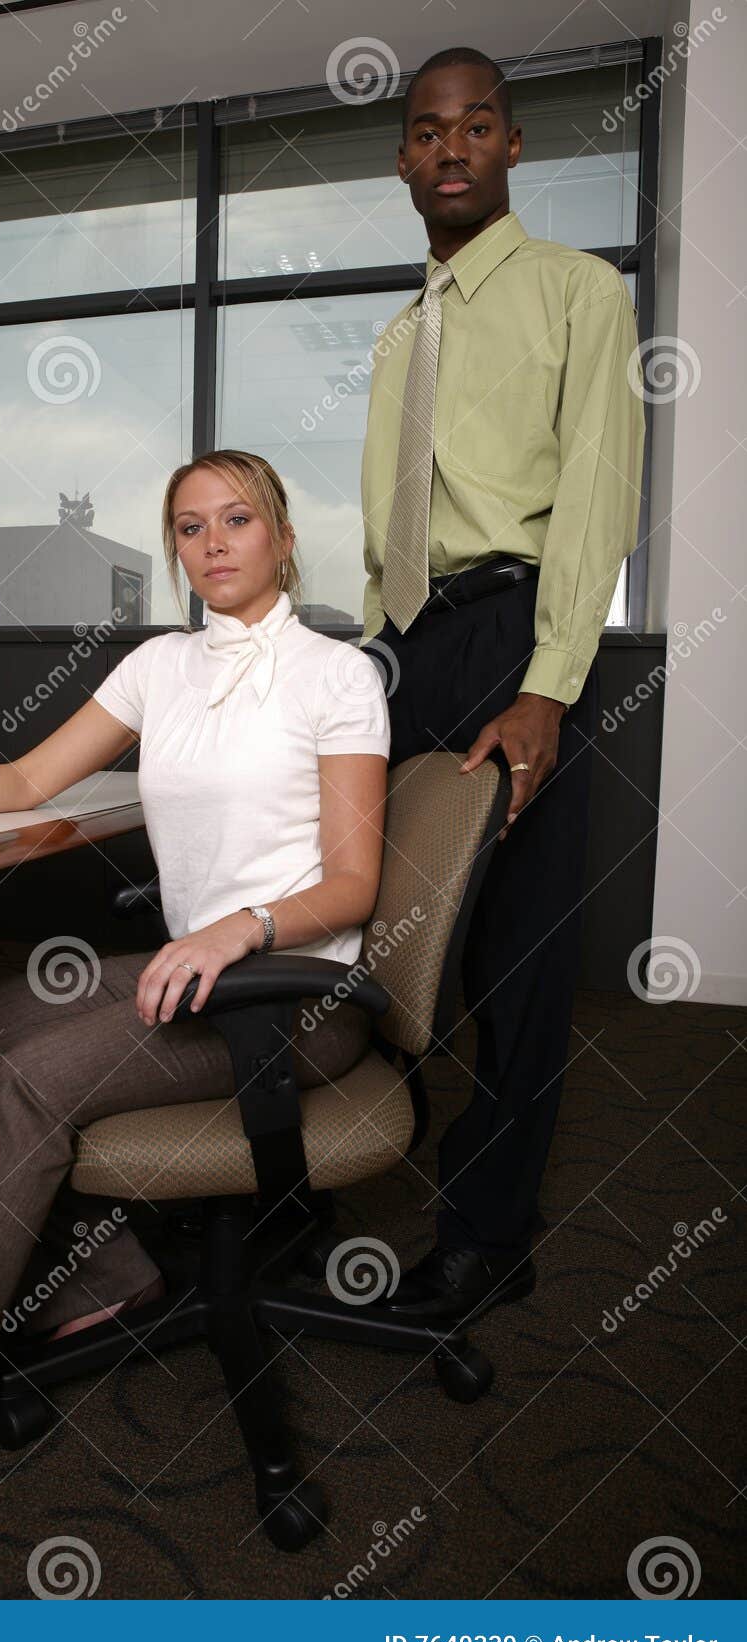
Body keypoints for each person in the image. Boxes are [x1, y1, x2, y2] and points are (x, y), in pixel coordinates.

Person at [0, 450, 391, 1570]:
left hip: (294, 993)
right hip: (194, 973)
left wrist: (239, 926)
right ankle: (109, 1280)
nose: (214, 542)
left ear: (283, 536)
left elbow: (350, 883)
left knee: (34, 1079)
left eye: (238, 519)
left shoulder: (339, 676)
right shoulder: (159, 666)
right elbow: (27, 781)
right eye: (189, 528)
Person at [361, 47, 646, 1322]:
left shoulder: (580, 292)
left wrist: (547, 681)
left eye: (478, 125)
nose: (454, 147)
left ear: (514, 146)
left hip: (514, 634)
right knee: (372, 926)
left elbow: (594, 493)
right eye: (429, 131)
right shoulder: (397, 332)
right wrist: (364, 660)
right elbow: (385, 525)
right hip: (405, 649)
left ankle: (489, 1230)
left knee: (515, 954)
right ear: (405, 159)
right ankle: (305, 1158)